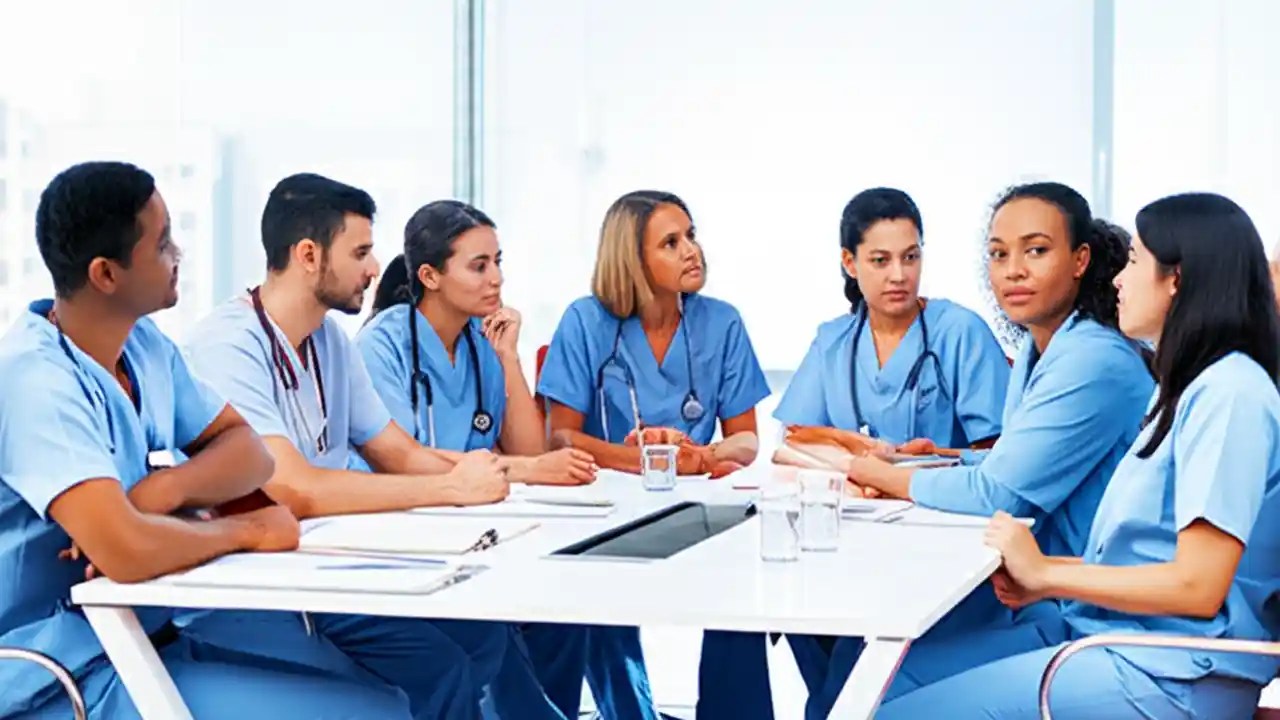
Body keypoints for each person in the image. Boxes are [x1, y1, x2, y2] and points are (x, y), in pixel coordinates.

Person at [0, 161, 413, 719]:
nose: (180, 254)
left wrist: (158, 493)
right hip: (55, 674)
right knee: (370, 715)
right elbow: (124, 551)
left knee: (386, 697)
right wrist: (246, 530)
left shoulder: (143, 346)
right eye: (163, 242)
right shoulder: (37, 381)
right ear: (106, 274)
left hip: (141, 636)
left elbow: (248, 453)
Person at [879, 192, 1280, 718]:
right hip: (1121, 637)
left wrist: (1047, 573)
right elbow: (1151, 556)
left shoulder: (1231, 394)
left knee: (897, 715)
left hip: (1170, 675)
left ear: (1177, 279)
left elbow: (1198, 586)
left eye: (1134, 261)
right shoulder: (1184, 387)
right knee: (888, 684)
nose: (1118, 279)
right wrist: (1045, 576)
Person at [181, 173, 524, 720]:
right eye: (361, 252)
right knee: (441, 667)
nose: (374, 269)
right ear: (309, 255)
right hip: (263, 591)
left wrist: (516, 473)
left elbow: (399, 452)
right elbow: (293, 488)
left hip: (332, 564)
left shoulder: (329, 341)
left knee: (483, 637)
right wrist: (451, 489)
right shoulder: (228, 344)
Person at [696, 187, 1012, 720]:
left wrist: (913, 462)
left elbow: (1000, 454)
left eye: (911, 257)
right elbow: (793, 441)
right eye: (881, 260)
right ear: (849, 263)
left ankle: (838, 707)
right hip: (847, 531)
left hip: (935, 538)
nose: (899, 276)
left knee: (845, 659)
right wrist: (858, 448)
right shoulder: (835, 340)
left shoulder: (958, 333)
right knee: (742, 609)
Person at [537, 190, 772, 720]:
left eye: (691, 235)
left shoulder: (721, 322)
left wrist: (703, 457)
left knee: (743, 595)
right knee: (592, 593)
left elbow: (747, 439)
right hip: (601, 514)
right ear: (633, 259)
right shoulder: (586, 322)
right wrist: (646, 460)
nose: (692, 250)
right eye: (671, 242)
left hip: (698, 512)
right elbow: (561, 439)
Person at [358, 199, 594, 719]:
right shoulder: (384, 344)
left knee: (568, 608)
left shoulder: (481, 343)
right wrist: (527, 470)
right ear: (430, 275)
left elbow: (529, 449)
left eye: (498, 262)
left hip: (475, 527)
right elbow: (402, 457)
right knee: (498, 621)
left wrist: (509, 358)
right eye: (479, 265)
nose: (497, 279)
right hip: (399, 533)